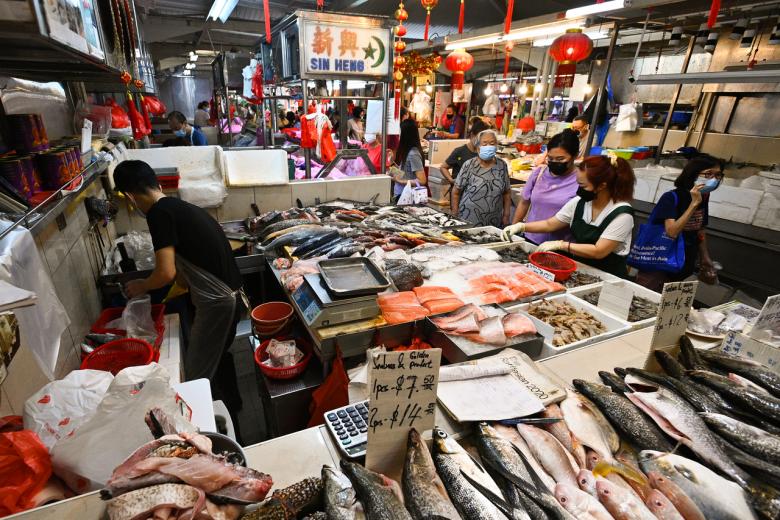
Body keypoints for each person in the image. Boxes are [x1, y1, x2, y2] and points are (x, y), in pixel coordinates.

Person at [113, 160, 246, 427]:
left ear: (129, 196)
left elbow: (165, 272)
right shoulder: (178, 207)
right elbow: (188, 264)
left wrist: (141, 285)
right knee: (214, 360)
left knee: (196, 373)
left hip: (217, 303)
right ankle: (231, 412)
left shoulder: (158, 214)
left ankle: (211, 431)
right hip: (230, 296)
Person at [503, 155, 636, 278]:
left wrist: (561, 245)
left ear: (602, 186)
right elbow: (551, 224)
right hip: (580, 268)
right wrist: (521, 226)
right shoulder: (580, 202)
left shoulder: (622, 214)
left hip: (609, 275)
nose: (578, 189)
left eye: (583, 185)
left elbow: (599, 251)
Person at [636, 154, 723, 291]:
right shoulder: (672, 197)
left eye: (718, 175)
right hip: (658, 262)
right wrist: (694, 204)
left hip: (682, 262)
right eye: (708, 174)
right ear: (693, 174)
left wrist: (704, 257)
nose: (714, 179)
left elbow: (700, 230)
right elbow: (672, 232)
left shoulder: (704, 197)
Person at [512, 129, 580, 244]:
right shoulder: (539, 173)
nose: (554, 162)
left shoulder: (581, 180)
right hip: (530, 237)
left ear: (575, 156)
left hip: (559, 245)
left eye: (560, 159)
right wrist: (513, 229)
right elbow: (524, 203)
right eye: (550, 158)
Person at [453, 129, 511, 228]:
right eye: (484, 144)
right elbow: (456, 191)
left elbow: (507, 192)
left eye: (492, 143)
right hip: (468, 218)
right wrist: (455, 213)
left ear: (496, 146)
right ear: (478, 147)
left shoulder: (502, 165)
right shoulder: (469, 165)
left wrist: (506, 215)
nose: (488, 146)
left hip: (494, 221)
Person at [439, 119, 488, 207]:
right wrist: (451, 180)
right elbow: (443, 167)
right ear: (472, 135)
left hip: (476, 197)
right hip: (459, 196)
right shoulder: (460, 151)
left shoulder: (483, 153)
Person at [391, 118, 426, 200]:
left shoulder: (413, 154)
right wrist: (391, 163)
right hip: (401, 194)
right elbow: (406, 173)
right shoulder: (408, 151)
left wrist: (400, 181)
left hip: (407, 197)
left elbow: (422, 180)